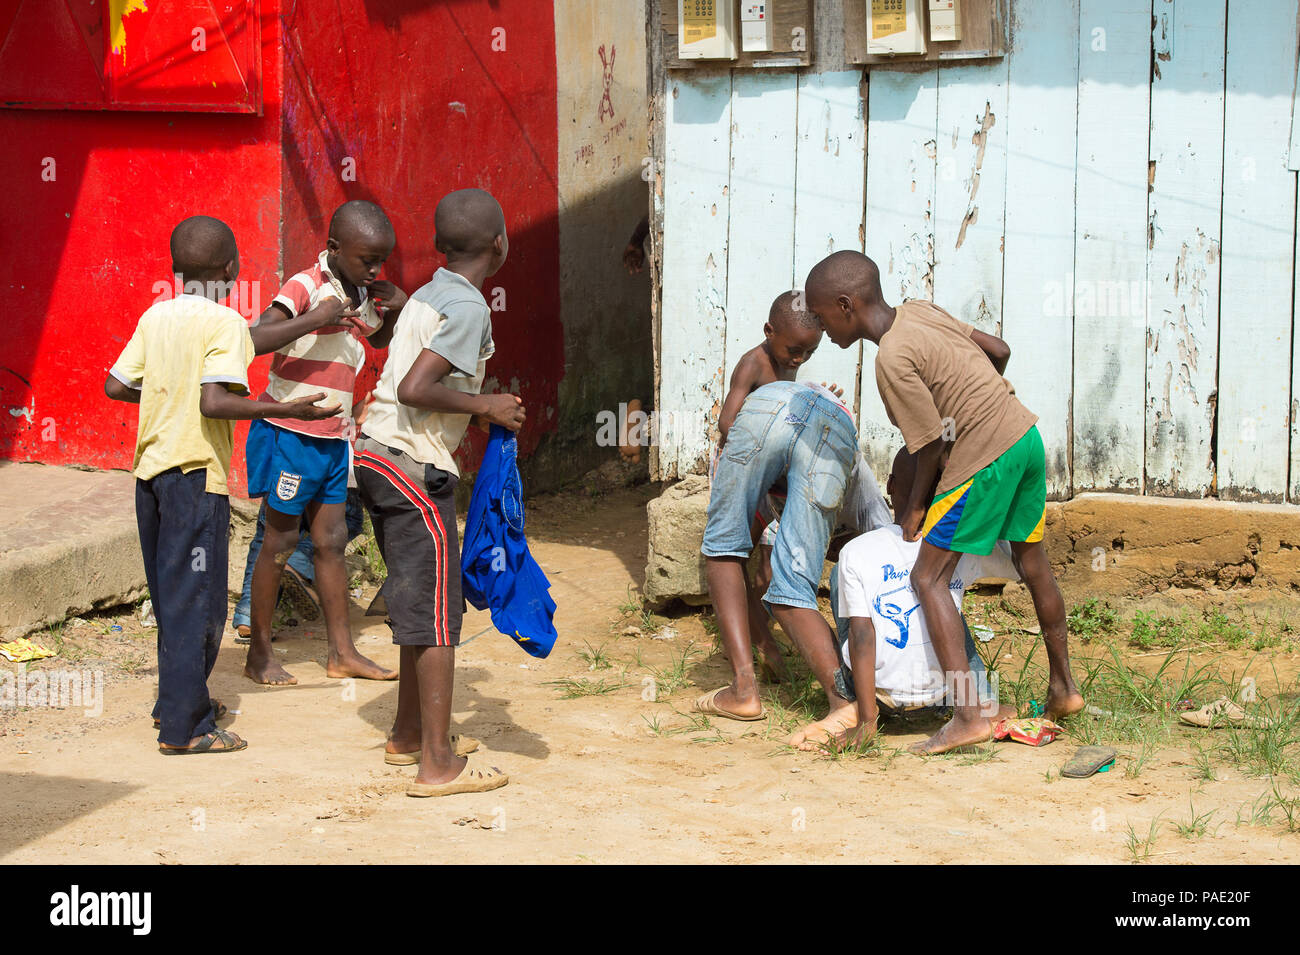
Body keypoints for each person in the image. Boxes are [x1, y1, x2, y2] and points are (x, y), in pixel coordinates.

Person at [805, 250, 1084, 754]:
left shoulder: (890, 359)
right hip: (1025, 437)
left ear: (846, 305)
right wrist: (982, 401)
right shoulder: (921, 311)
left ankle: (968, 714)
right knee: (1031, 561)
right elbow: (998, 350)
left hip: (987, 458)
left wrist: (914, 511)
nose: (824, 331)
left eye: (824, 318)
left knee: (927, 577)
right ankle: (1064, 688)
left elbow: (930, 445)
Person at [104, 215, 337, 754]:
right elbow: (215, 401)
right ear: (231, 268)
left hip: (151, 475)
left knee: (172, 597)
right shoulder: (226, 323)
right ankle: (187, 729)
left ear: (175, 269)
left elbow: (117, 385)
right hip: (193, 477)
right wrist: (279, 407)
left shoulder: (155, 315)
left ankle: (176, 703)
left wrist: (170, 393)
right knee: (200, 602)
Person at [354, 188, 524, 797]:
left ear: (439, 246)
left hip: (378, 457)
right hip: (410, 467)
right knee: (438, 612)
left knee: (414, 603)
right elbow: (416, 386)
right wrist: (486, 405)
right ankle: (437, 763)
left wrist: (475, 412)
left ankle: (407, 734)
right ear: (500, 244)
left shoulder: (430, 291)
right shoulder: (470, 306)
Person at [242, 200, 403, 686]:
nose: (374, 269)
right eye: (365, 260)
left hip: (333, 437)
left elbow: (375, 340)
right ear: (333, 248)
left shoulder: (359, 288)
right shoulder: (306, 285)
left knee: (331, 541)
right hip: (293, 433)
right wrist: (317, 318)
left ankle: (341, 652)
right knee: (281, 540)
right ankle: (259, 652)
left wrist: (393, 311)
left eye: (380, 260)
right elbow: (258, 336)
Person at [816, 447, 1018, 751]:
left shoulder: (856, 550)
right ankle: (982, 703)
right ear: (941, 491)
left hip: (881, 703)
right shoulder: (960, 547)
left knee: (843, 584)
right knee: (946, 604)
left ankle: (854, 707)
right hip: (943, 698)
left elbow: (861, 635)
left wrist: (868, 723)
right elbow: (1020, 566)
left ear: (890, 486)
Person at [696, 378, 858, 745]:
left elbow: (730, 546)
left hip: (764, 412)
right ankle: (846, 702)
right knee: (793, 589)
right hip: (837, 425)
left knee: (723, 548)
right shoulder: (854, 476)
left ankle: (743, 690)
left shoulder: (762, 400)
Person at [713, 290, 829, 685]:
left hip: (778, 479)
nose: (798, 360)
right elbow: (728, 422)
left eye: (808, 354)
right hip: (746, 473)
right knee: (735, 553)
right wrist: (761, 448)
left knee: (767, 568)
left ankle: (763, 636)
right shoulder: (753, 364)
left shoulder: (787, 359)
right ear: (769, 330)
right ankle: (758, 642)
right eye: (794, 350)